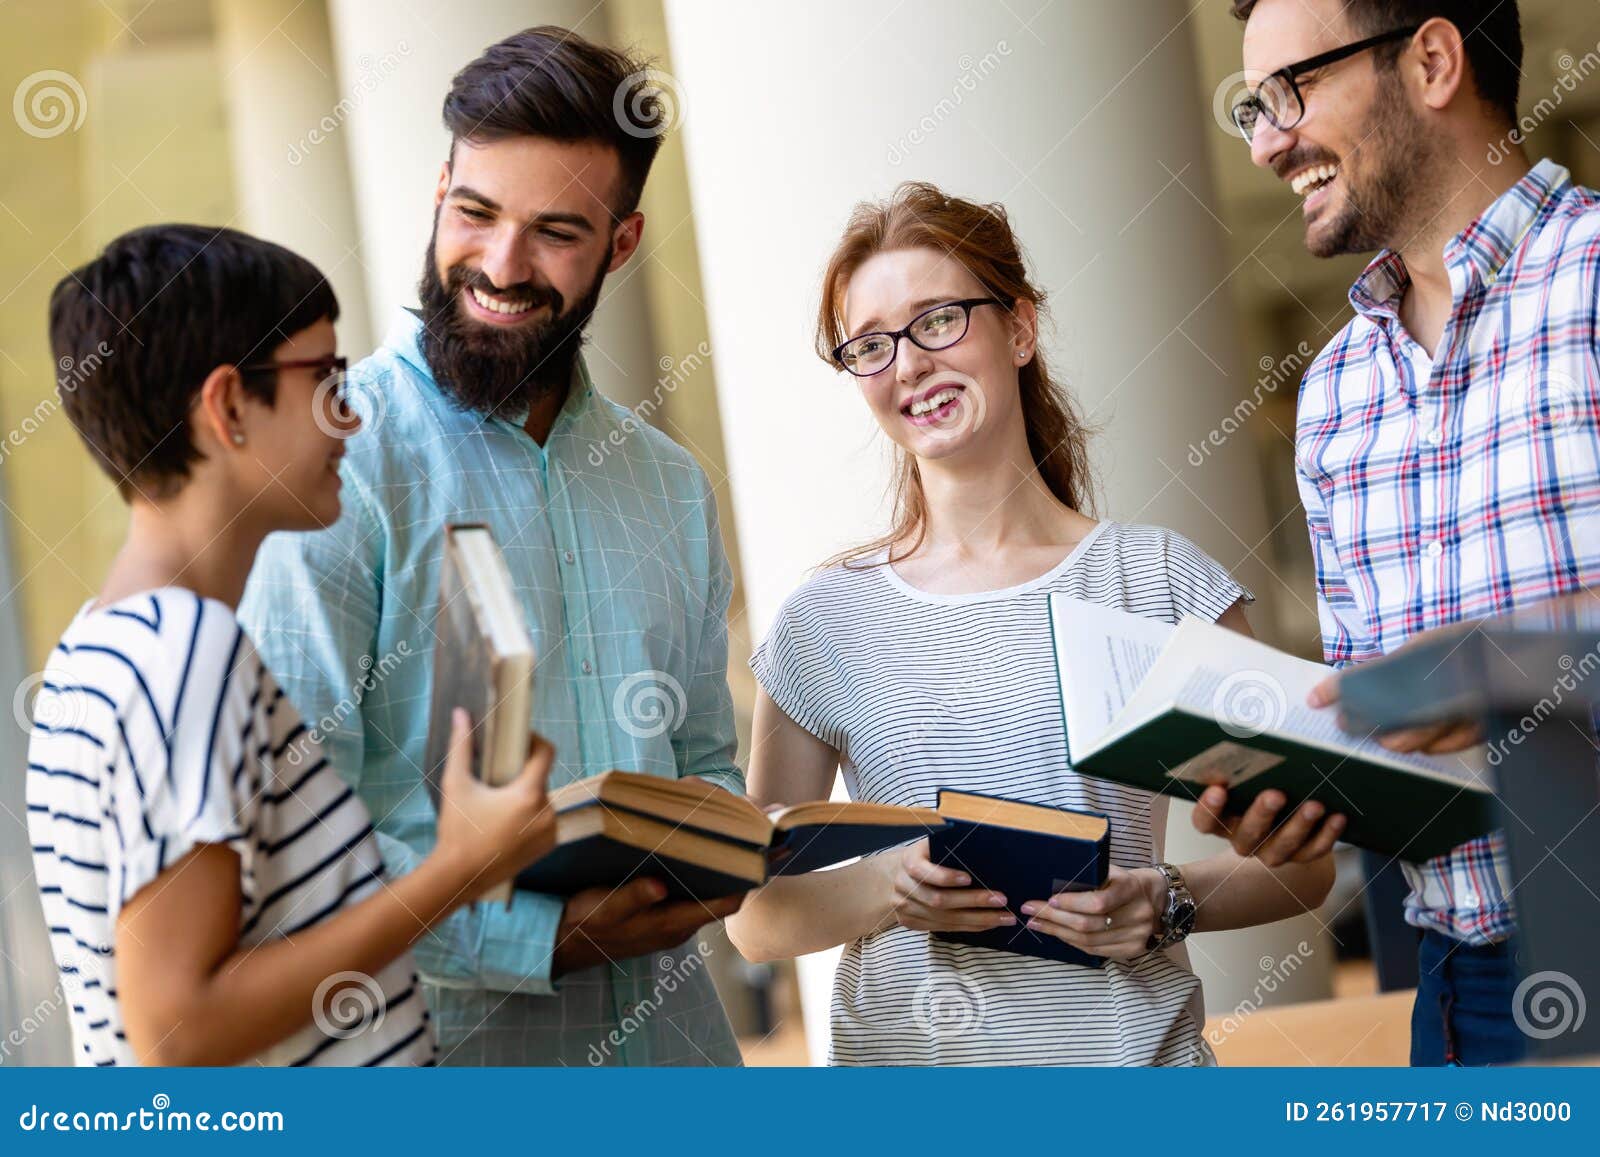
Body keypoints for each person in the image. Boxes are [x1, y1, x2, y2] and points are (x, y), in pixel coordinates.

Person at [724, 182, 1336, 1065]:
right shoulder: (826, 621)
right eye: (871, 345)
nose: (907, 365)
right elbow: (752, 915)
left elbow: (1302, 861)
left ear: (1018, 328)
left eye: (938, 320)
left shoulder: (1157, 583)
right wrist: (891, 886)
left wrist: (1165, 899)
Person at [238, 27, 745, 1066]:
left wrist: (730, 853)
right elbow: (293, 822)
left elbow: (702, 766)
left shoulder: (671, 484)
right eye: (475, 214)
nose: (500, 266)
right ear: (439, 192)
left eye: (556, 231)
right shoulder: (336, 462)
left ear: (622, 241)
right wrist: (539, 937)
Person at [28, 224, 556, 1067]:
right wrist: (461, 865)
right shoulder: (183, 650)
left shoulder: (94, 653)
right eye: (327, 381)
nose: (351, 418)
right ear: (229, 405)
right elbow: (177, 1025)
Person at [1206, 0, 1600, 1065]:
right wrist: (1304, 789)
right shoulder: (1333, 394)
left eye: (1290, 92)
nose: (1263, 140)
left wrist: (1512, 679)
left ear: (1430, 61)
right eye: (1252, 106)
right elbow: (1384, 738)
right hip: (1459, 992)